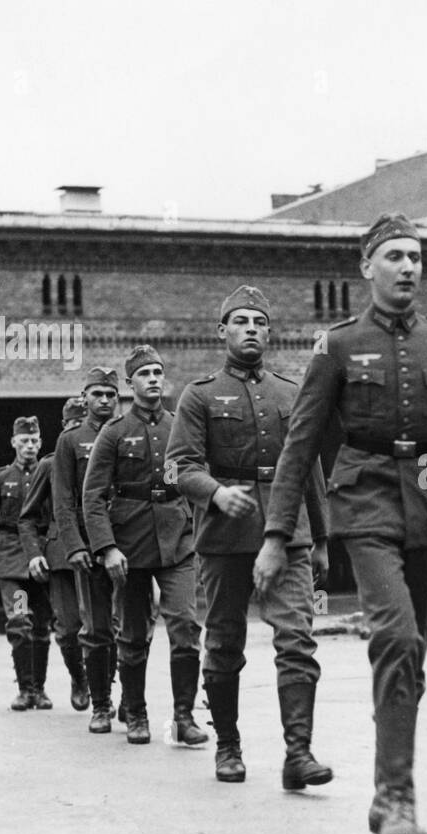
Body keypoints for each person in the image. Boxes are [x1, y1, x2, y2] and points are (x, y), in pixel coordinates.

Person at [254, 213, 427, 834]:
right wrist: (279, 534)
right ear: (367, 268)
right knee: (393, 635)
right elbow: (300, 444)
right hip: (363, 500)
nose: (408, 267)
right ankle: (395, 797)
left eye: (415, 256)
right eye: (394, 256)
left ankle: (390, 782)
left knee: (411, 657)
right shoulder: (338, 345)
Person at [166, 287, 331, 785]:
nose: (251, 328)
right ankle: (228, 746)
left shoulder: (291, 391)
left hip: (288, 530)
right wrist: (214, 493)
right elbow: (178, 467)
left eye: (260, 321)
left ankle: (297, 755)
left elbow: (309, 464)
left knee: (297, 639)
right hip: (225, 537)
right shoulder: (198, 396)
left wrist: (320, 537)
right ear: (222, 332)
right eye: (240, 321)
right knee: (223, 642)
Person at [83, 345, 206, 747]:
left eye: (158, 372)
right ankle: (135, 711)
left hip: (177, 540)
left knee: (186, 626)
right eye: (145, 374)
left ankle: (184, 717)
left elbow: (196, 477)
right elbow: (93, 496)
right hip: (130, 544)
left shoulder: (179, 427)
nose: (154, 379)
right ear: (130, 384)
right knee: (134, 634)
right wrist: (107, 548)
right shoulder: (113, 433)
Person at [53, 366, 121, 733]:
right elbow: (63, 499)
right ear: (86, 397)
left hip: (129, 539)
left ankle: (131, 699)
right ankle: (101, 704)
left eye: (111, 394)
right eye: (98, 394)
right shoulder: (71, 440)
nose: (105, 401)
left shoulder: (128, 430)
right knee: (95, 628)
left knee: (133, 623)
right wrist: (74, 545)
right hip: (89, 545)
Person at [0, 416, 53, 710]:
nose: (30, 446)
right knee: (19, 622)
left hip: (42, 560)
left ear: (41, 443)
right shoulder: (0, 479)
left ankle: (40, 690)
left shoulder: (49, 474)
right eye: (24, 441)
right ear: (14, 443)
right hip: (11, 563)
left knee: (42, 626)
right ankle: (25, 689)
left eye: (34, 441)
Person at [18, 396, 91, 710]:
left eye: (83, 424)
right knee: (69, 627)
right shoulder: (49, 464)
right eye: (72, 425)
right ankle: (80, 678)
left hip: (102, 549)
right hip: (61, 555)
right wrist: (35, 553)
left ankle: (106, 686)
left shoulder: (105, 452)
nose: (78, 431)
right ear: (63, 428)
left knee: (111, 626)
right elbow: (27, 516)